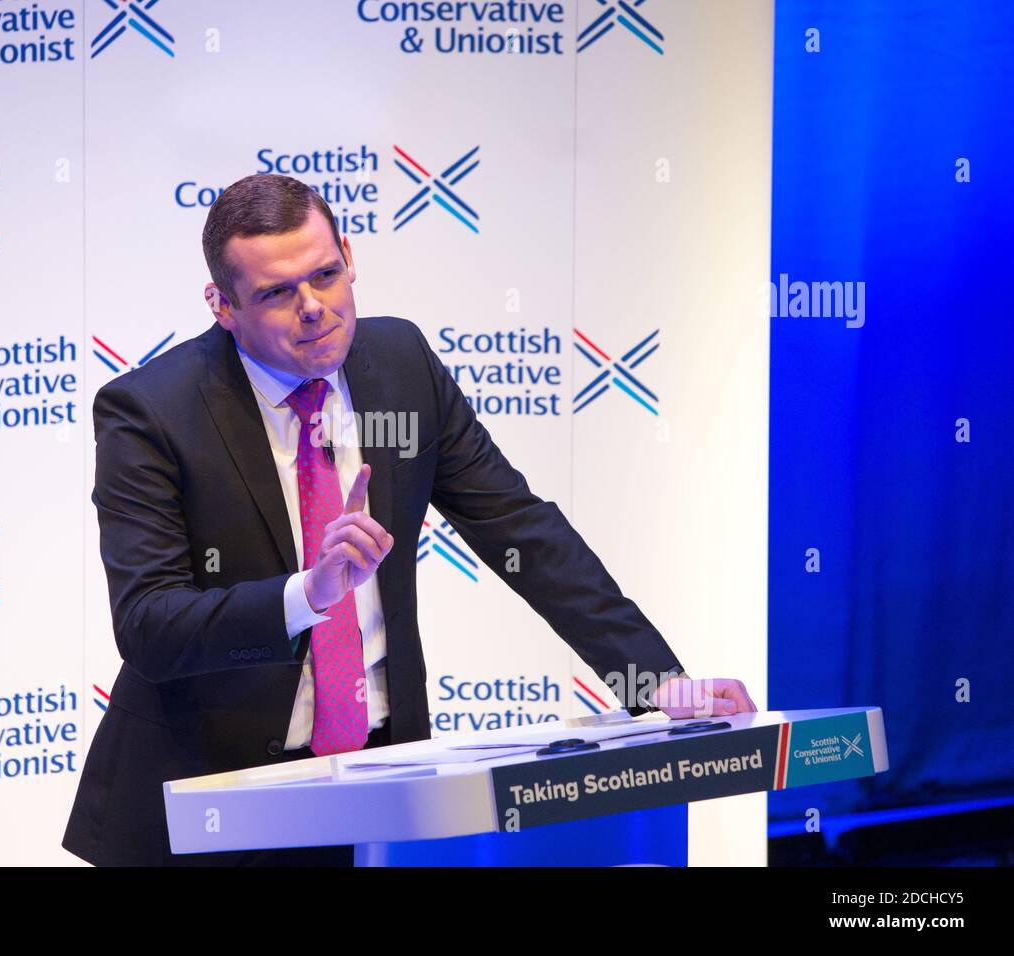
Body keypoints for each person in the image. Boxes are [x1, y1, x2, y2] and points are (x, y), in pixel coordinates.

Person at [61, 173, 756, 866]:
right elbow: (151, 625)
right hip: (211, 804)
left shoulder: (401, 366)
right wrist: (309, 594)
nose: (313, 308)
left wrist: (654, 682)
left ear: (350, 257)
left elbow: (519, 529)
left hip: (383, 795)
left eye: (327, 275)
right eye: (276, 292)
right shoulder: (150, 412)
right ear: (222, 304)